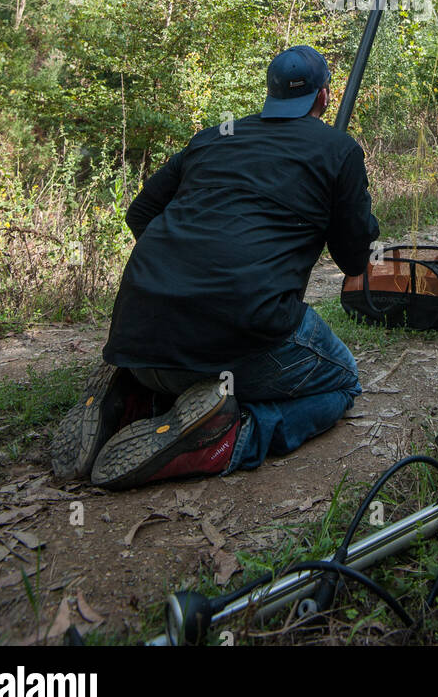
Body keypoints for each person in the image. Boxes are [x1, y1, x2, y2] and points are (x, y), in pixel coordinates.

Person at [50, 45, 379, 491]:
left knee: (181, 361)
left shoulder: (212, 137)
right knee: (343, 382)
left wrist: (180, 274)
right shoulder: (338, 150)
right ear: (324, 97)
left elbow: (140, 212)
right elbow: (354, 261)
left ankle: (132, 399)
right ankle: (230, 433)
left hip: (138, 337)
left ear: (270, 94)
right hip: (234, 344)